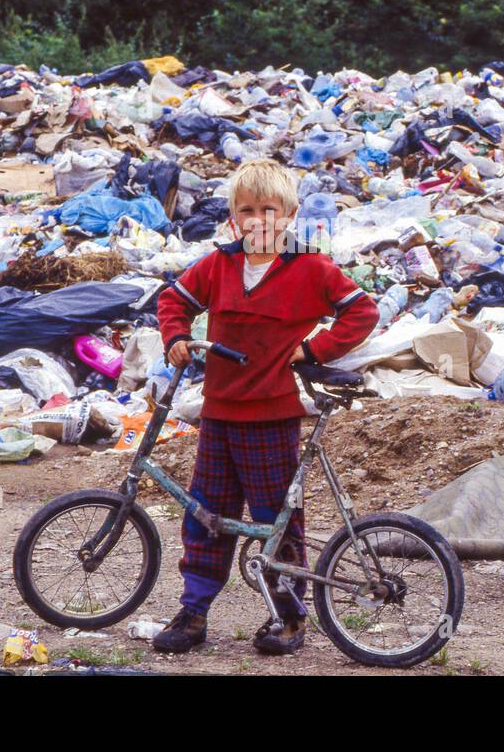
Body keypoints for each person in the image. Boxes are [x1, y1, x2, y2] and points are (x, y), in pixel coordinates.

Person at [154, 159, 378, 655]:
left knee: (277, 518)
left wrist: (313, 350)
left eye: (269, 210)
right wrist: (175, 337)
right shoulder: (219, 264)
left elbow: (361, 311)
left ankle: (290, 617)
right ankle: (194, 612)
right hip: (218, 414)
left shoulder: (311, 267)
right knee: (206, 516)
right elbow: (173, 302)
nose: (258, 221)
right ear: (234, 216)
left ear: (290, 214)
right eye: (247, 210)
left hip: (273, 418)